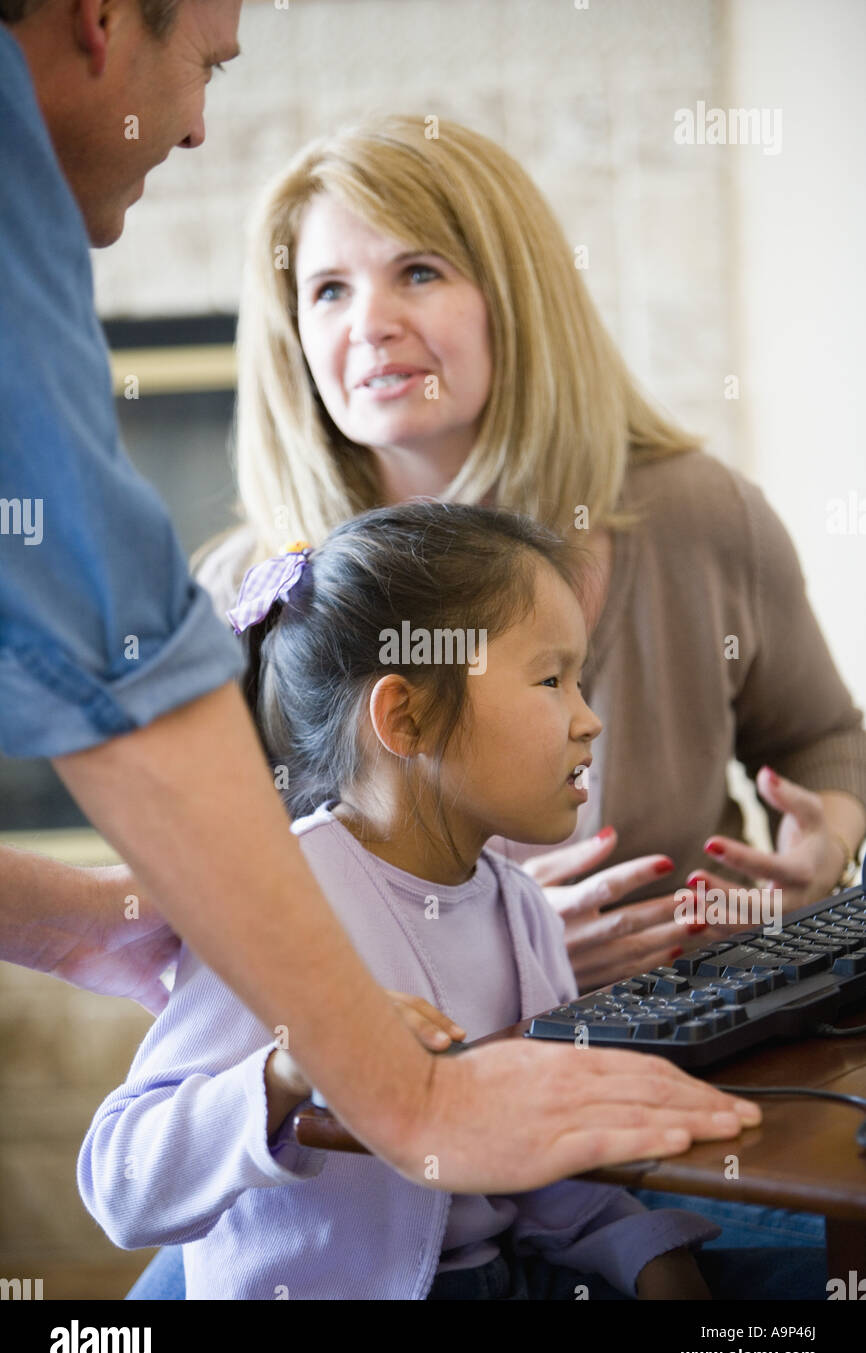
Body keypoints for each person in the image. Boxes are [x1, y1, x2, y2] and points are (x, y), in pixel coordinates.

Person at [2, 3, 759, 1226]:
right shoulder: (241, 598)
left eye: (419, 269)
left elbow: (550, 1173)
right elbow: (136, 1171)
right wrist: (369, 1078)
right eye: (206, 65)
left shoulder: (689, 510)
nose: (198, 125)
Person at [81, 503, 823, 1301]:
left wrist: (650, 1257)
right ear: (407, 716)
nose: (590, 720)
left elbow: (548, 1172)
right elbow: (124, 1183)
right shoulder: (274, 905)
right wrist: (291, 1069)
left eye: (582, 681)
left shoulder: (522, 912)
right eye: (551, 680)